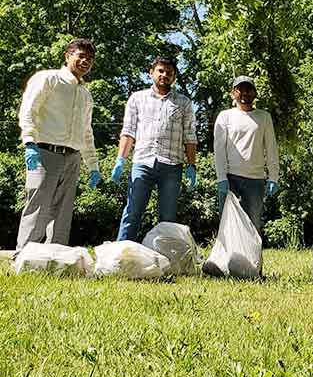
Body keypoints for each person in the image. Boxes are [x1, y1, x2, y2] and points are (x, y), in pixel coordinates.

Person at [17, 38, 103, 250]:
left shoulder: (85, 94)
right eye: (80, 56)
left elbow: (86, 132)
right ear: (67, 56)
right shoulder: (48, 79)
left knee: (62, 212)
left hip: (72, 157)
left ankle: (56, 258)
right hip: (44, 153)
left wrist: (93, 165)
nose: (85, 61)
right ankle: (25, 256)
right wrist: (29, 142)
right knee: (38, 207)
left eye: (89, 58)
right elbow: (29, 109)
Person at [111, 57, 198, 241]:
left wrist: (192, 165)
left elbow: (190, 136)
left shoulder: (184, 103)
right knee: (132, 212)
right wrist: (120, 159)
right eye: (161, 71)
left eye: (169, 73)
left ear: (174, 77)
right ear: (151, 72)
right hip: (142, 162)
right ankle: (121, 255)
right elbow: (128, 131)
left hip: (172, 166)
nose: (164, 75)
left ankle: (166, 257)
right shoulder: (137, 98)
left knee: (167, 218)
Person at [213, 76, 279, 233]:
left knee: (252, 226)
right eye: (240, 89)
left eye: (249, 89)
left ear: (255, 93)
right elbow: (219, 149)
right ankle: (228, 258)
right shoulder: (225, 116)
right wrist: (221, 177)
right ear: (232, 93)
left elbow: (271, 148)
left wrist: (273, 177)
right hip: (231, 178)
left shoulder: (264, 117)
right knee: (229, 226)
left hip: (255, 181)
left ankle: (252, 258)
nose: (245, 93)